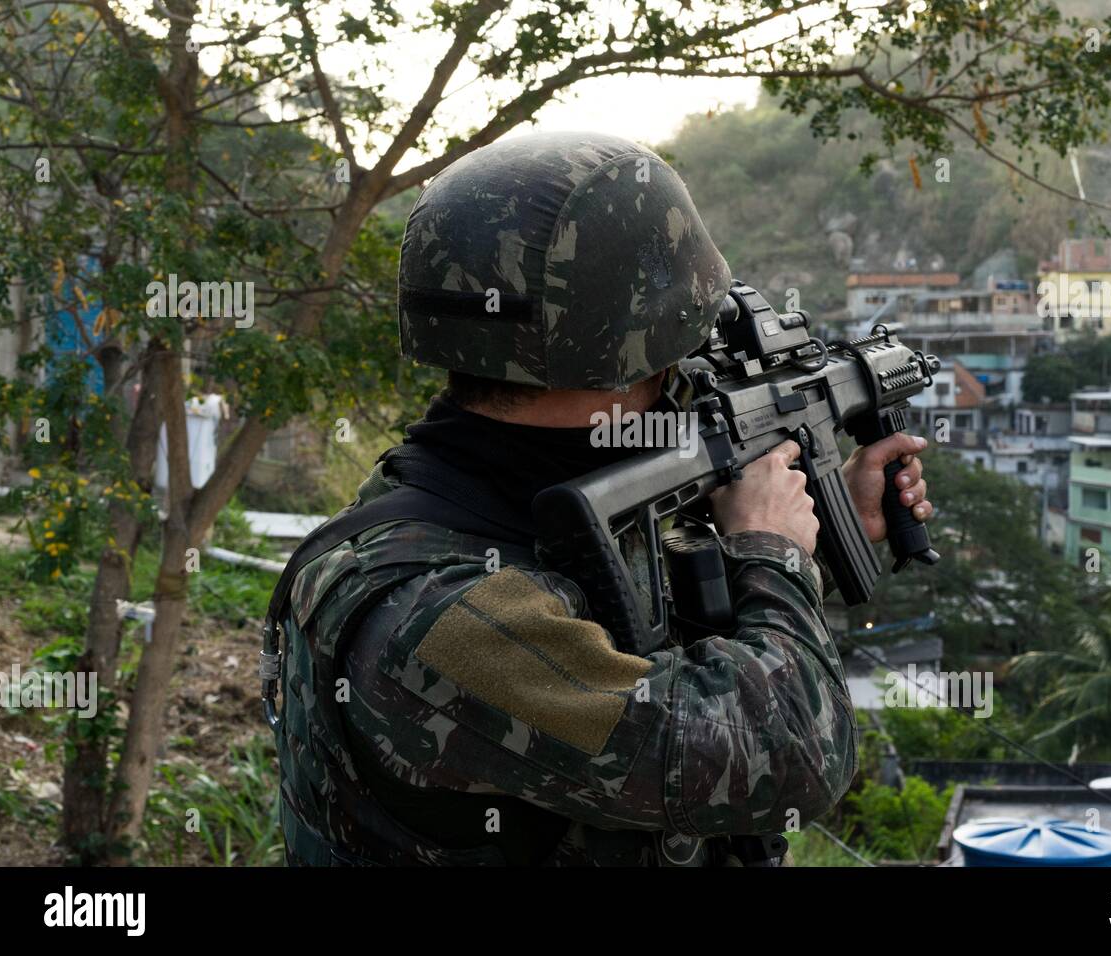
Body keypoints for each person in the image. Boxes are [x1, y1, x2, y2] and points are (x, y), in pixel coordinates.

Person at [272, 131, 933, 866]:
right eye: (677, 352)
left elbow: (644, 644)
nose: (689, 373)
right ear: (623, 362)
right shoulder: (442, 619)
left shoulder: (478, 500)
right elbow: (789, 756)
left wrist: (822, 530)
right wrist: (770, 551)